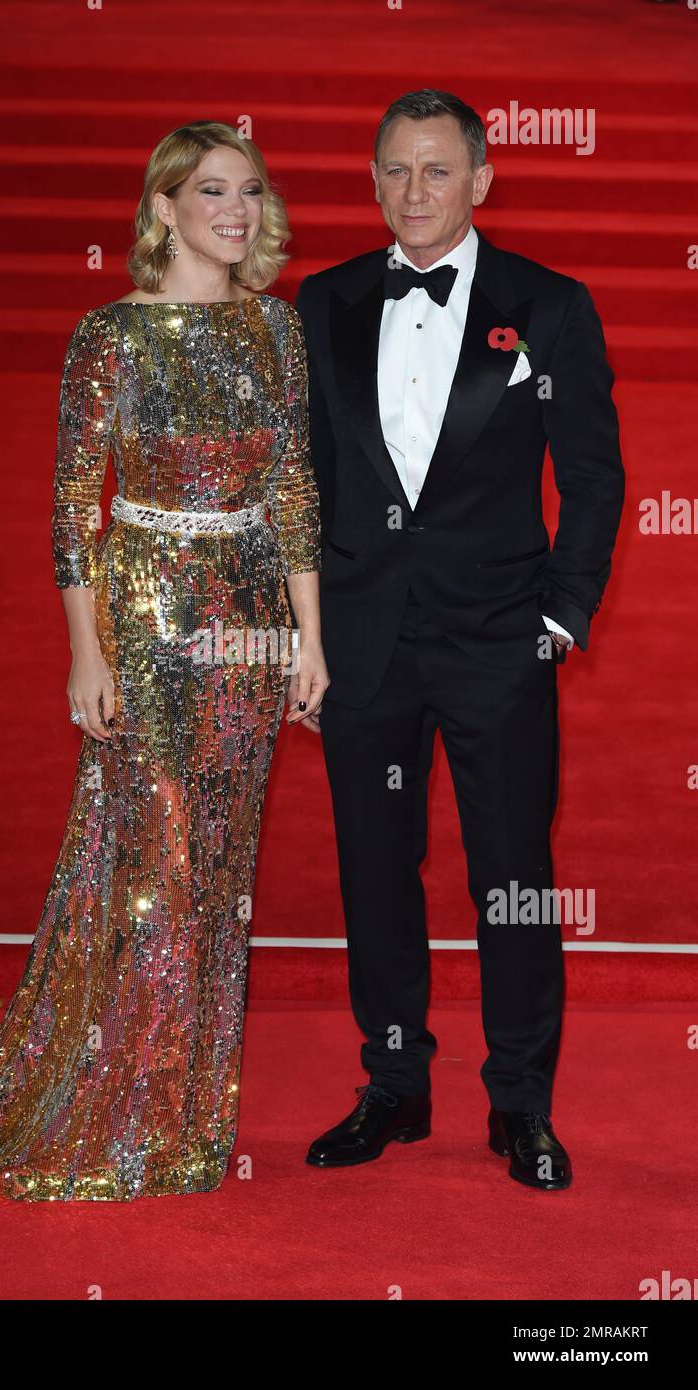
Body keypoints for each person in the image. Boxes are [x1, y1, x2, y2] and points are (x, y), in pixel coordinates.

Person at [0, 121, 326, 1202]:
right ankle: (115, 1112)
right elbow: (68, 508)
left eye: (250, 191)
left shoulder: (278, 328)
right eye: (211, 190)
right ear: (164, 207)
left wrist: (310, 636)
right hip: (147, 604)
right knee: (154, 860)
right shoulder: (110, 337)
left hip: (252, 617)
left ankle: (183, 1120)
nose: (237, 209)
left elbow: (294, 493)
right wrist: (85, 652)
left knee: (222, 873)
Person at [295, 89, 624, 1191]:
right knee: (376, 871)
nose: (413, 194)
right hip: (362, 640)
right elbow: (304, 480)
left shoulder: (552, 305)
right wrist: (302, 630)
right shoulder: (326, 300)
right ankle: (393, 1086)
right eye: (393, 170)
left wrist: (560, 616)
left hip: (499, 641)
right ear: (373, 176)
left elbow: (591, 477)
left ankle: (520, 1104)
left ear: (482, 180)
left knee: (512, 880)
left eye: (437, 171)